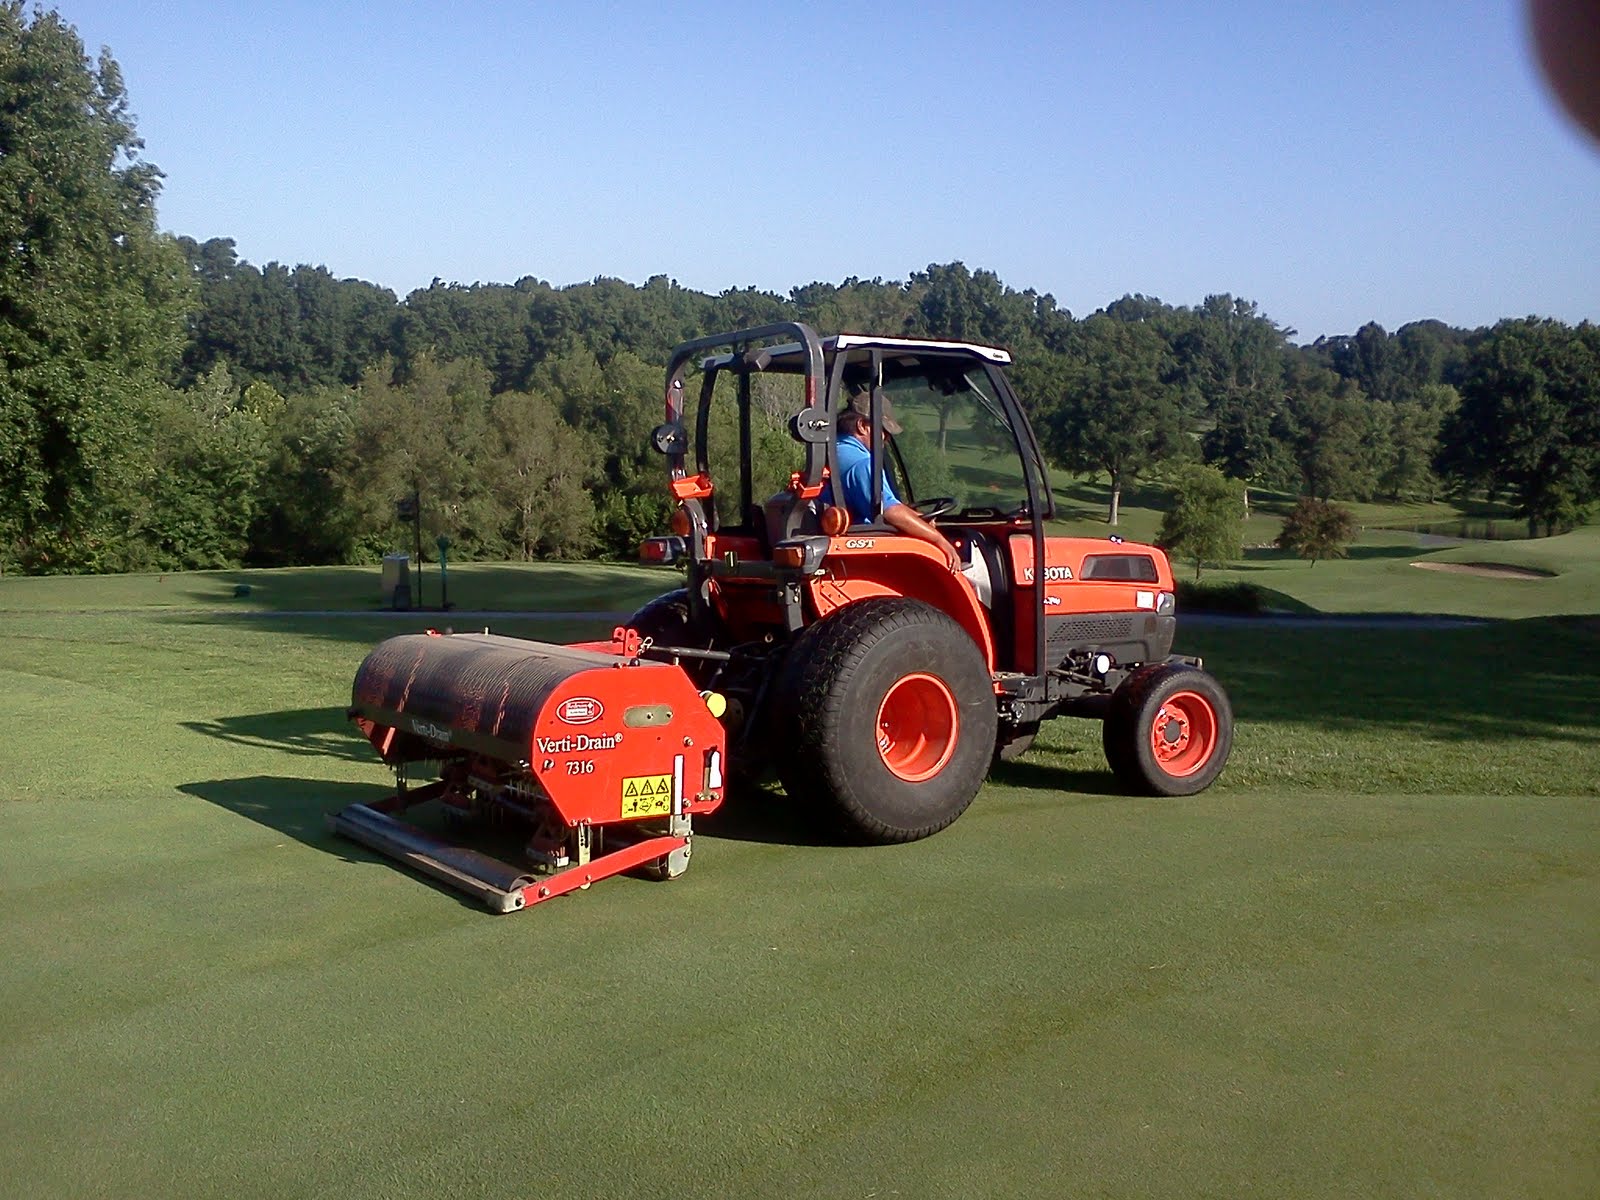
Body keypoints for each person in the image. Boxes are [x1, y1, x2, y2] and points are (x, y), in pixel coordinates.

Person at [835, 389, 961, 573]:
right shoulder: (862, 464)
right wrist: (939, 539)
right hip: (864, 552)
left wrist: (917, 518)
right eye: (883, 431)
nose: (886, 438)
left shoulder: (835, 452)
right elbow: (891, 511)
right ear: (862, 426)